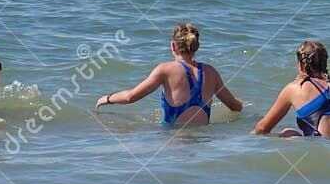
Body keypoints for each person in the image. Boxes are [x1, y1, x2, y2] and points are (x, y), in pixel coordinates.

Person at [96, 22, 242, 126]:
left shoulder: (165, 70)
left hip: (172, 146)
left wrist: (108, 98)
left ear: (173, 46)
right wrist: (242, 103)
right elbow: (235, 106)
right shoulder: (211, 72)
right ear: (197, 46)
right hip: (202, 147)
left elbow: (130, 97)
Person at [253, 41, 330, 138]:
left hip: (318, 145)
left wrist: (248, 138)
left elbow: (262, 128)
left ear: (301, 65)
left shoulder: (294, 88)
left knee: (288, 132)